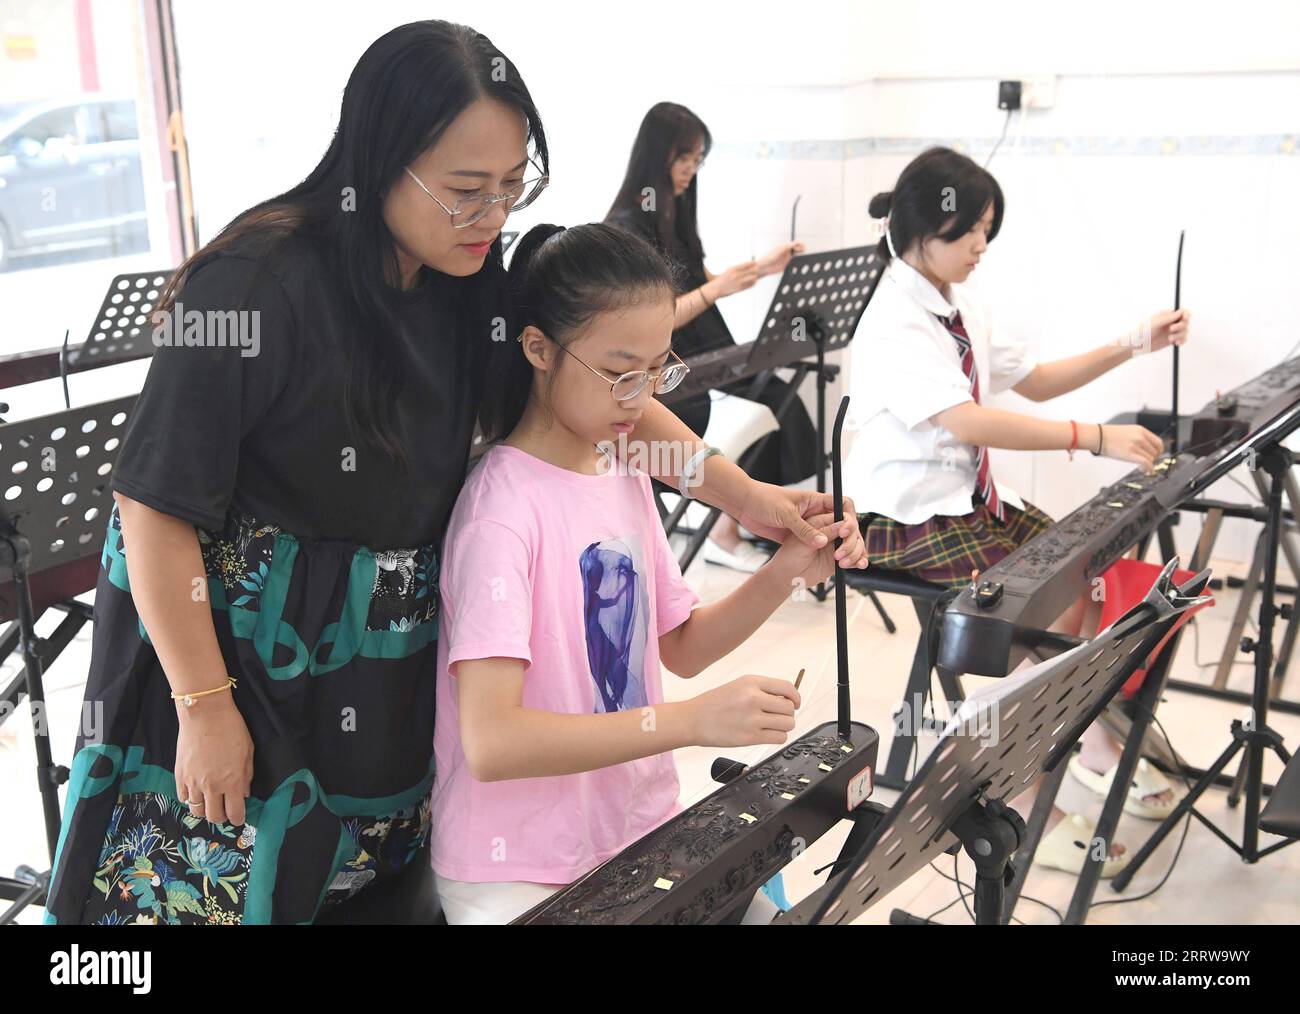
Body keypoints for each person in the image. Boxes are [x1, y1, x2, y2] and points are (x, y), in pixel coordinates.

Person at [44, 20, 859, 926]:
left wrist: (748, 497)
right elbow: (152, 508)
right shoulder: (255, 284)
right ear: (379, 159)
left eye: (512, 188)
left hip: (375, 659)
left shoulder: (466, 284)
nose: (492, 218)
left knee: (357, 892)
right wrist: (203, 708)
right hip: (236, 658)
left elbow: (609, 397)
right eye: (466, 191)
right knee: (215, 897)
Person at [429, 222, 863, 924]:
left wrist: (786, 568)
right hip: (519, 871)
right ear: (538, 348)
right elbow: (492, 741)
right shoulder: (501, 513)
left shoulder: (622, 463)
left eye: (659, 371)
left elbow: (682, 646)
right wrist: (689, 722)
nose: (640, 398)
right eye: (620, 372)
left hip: (629, 832)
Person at [845, 146, 1191, 876]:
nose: (979, 249)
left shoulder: (953, 299)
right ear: (919, 230)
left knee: (1083, 577)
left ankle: (1081, 745)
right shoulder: (894, 320)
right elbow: (966, 422)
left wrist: (1135, 342)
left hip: (966, 506)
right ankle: (1029, 786)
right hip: (907, 523)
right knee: (1034, 607)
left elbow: (1033, 382)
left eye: (988, 232)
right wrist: (1093, 438)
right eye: (968, 232)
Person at [606, 102, 817, 573]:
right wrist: (716, 289)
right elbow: (653, 318)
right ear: (659, 155)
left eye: (698, 160)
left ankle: (743, 524)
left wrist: (764, 267)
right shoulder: (627, 226)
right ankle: (731, 526)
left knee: (782, 400)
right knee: (772, 402)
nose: (691, 170)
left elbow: (699, 281)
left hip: (706, 350)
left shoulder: (673, 218)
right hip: (673, 367)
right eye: (686, 158)